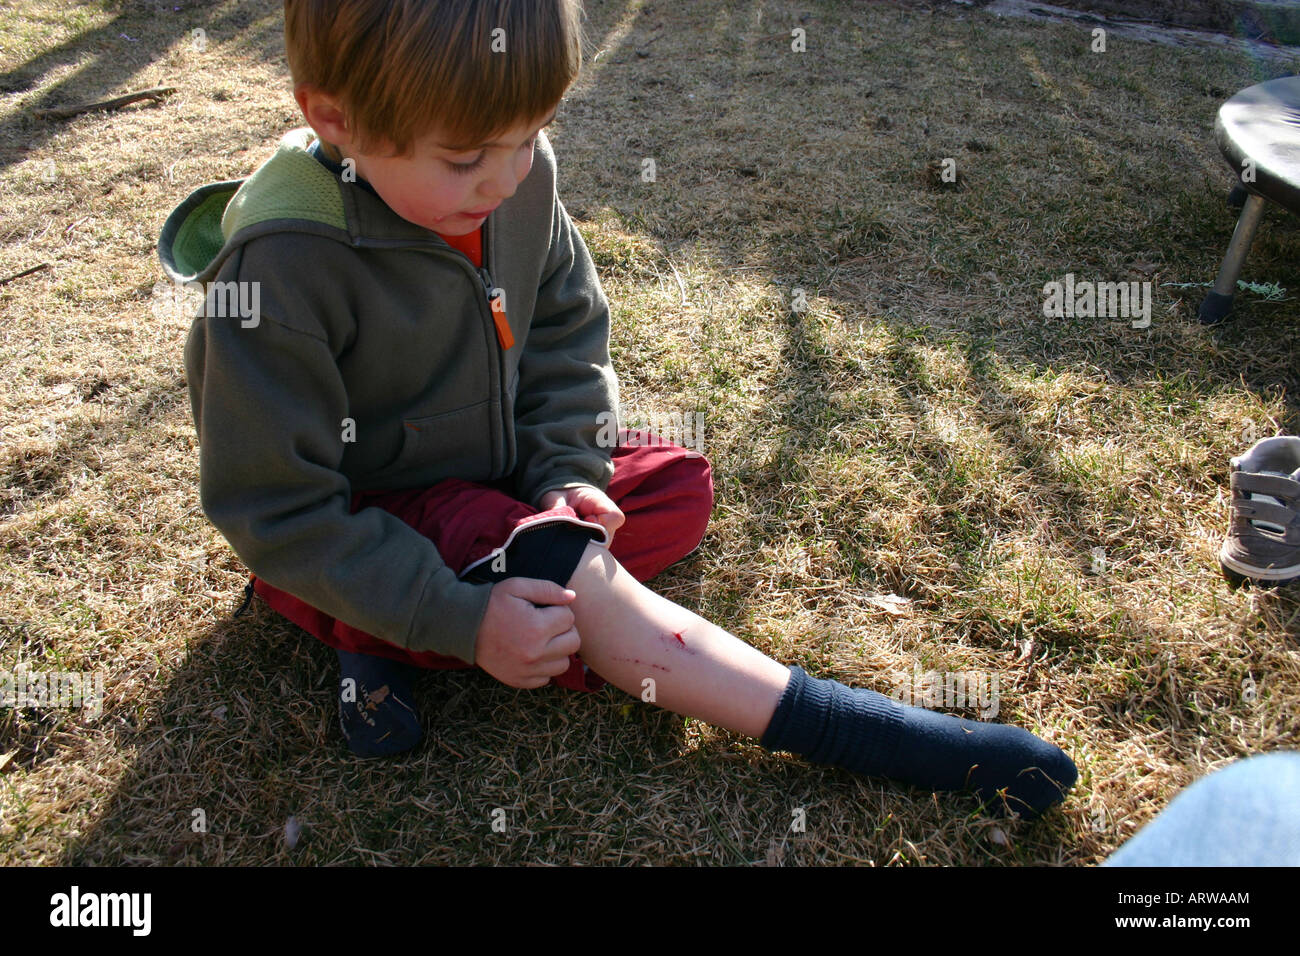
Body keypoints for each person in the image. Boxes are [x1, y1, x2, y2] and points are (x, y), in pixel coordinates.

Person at [157, 0, 1077, 819]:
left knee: (674, 486)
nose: (508, 177)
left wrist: (565, 476)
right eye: (468, 157)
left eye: (533, 135)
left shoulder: (515, 177)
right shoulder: (278, 268)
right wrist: (461, 616)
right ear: (336, 118)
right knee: (551, 559)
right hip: (365, 523)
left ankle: (414, 624)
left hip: (500, 476)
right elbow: (276, 509)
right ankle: (863, 732)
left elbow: (564, 333)